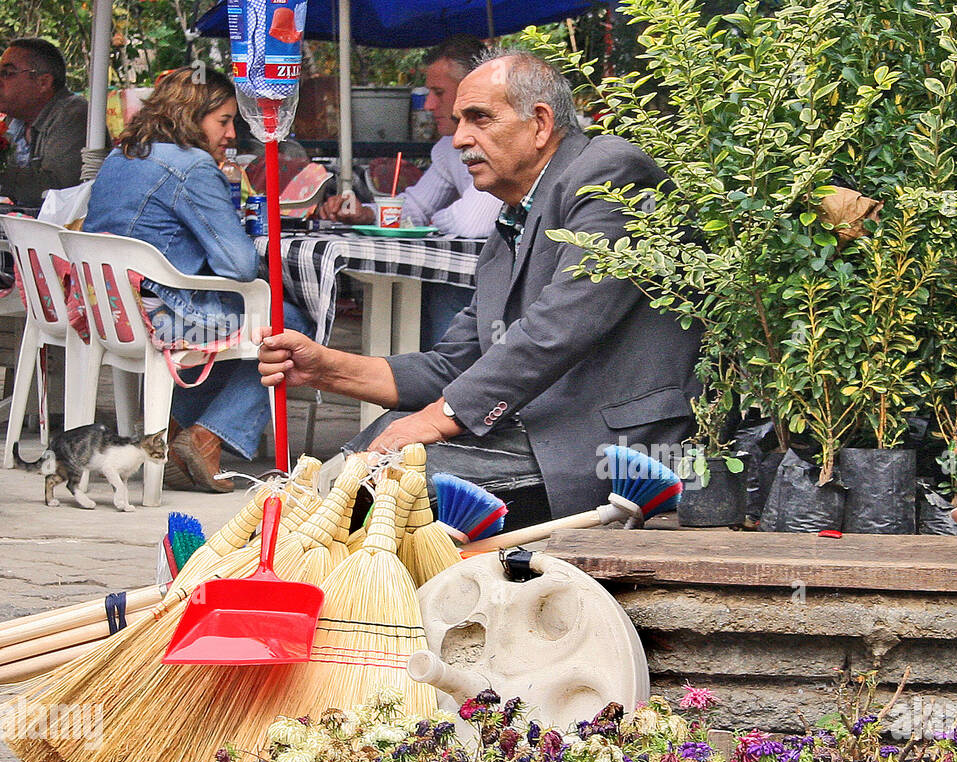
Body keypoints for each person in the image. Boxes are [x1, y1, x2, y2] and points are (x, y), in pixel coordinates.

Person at [259, 50, 701, 520]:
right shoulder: (508, 229)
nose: (460, 139)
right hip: (538, 428)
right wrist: (328, 369)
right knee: (359, 459)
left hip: (607, 444)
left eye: (479, 119)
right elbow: (455, 365)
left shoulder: (609, 173)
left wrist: (437, 418)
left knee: (379, 487)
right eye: (458, 120)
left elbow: (560, 327)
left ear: (540, 123)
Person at [84, 67, 314, 492]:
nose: (231, 133)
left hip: (109, 310)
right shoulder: (191, 166)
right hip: (161, 314)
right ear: (191, 114)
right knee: (289, 326)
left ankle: (174, 431)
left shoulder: (123, 155)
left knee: (247, 325)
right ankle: (208, 438)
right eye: (223, 121)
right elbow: (240, 266)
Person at [319, 35, 500, 237]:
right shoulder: (447, 146)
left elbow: (472, 224)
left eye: (438, 93)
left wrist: (434, 221)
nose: (428, 105)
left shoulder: (501, 142)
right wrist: (366, 214)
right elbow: (417, 208)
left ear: (472, 89)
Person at [0, 38, 89, 207]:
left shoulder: (72, 114)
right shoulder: (14, 119)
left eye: (7, 73)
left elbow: (58, 190)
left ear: (44, 82)